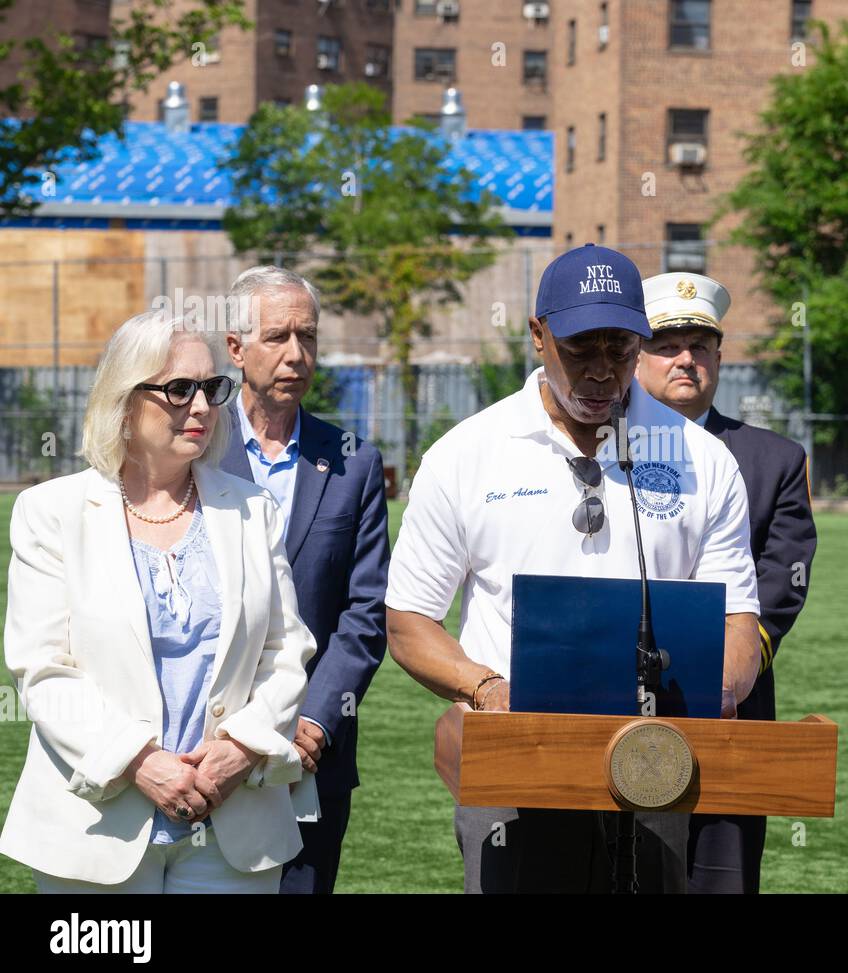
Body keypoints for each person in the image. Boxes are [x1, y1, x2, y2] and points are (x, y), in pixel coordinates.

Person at [384, 243, 762, 894]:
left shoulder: (703, 459)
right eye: (581, 348)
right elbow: (409, 620)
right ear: (538, 335)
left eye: (619, 349)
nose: (601, 370)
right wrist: (485, 688)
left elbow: (738, 618)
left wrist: (720, 688)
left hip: (655, 766)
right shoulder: (466, 455)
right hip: (514, 768)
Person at [0, 311, 316, 893]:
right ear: (124, 397)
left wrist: (242, 750)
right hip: (96, 826)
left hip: (233, 826)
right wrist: (139, 761)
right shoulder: (51, 513)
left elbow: (286, 650)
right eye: (178, 389)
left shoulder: (252, 510)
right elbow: (42, 669)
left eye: (211, 388)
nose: (201, 406)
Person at [634, 271, 816, 894]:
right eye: (667, 344)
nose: (686, 358)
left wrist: (728, 670)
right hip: (605, 703)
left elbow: (781, 585)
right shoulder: (597, 445)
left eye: (701, 345)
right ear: (636, 351)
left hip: (729, 705)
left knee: (720, 877)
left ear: (718, 355)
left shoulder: (774, 459)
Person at [221, 266, 390, 895]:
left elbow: (365, 613)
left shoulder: (354, 462)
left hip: (310, 756)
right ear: (236, 349)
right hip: (202, 747)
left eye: (309, 337)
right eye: (278, 337)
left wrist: (314, 723)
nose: (297, 354)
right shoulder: (197, 447)